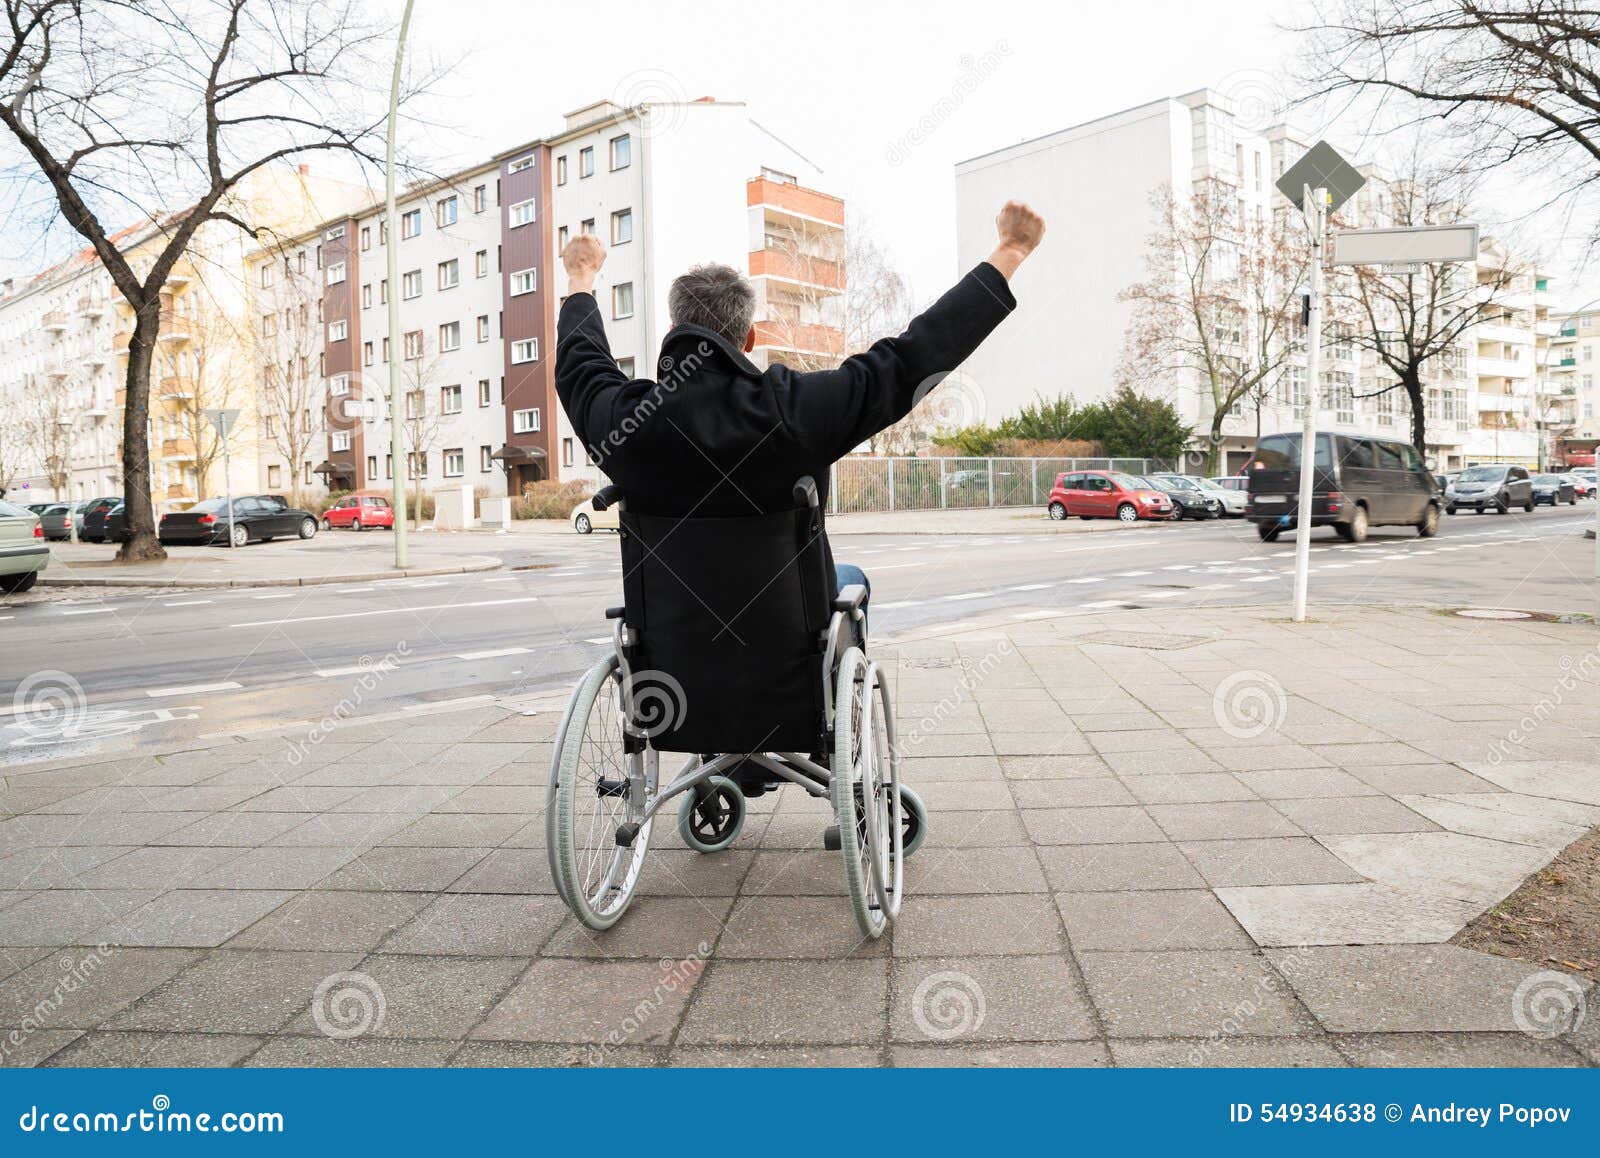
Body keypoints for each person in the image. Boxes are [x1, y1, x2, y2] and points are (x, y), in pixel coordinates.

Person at [554, 199, 1045, 622]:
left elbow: (581, 367)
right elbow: (908, 361)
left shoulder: (627, 422)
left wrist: (581, 275)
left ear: (674, 326)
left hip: (672, 657)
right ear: (747, 338)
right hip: (786, 658)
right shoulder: (795, 410)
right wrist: (1010, 252)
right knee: (853, 581)